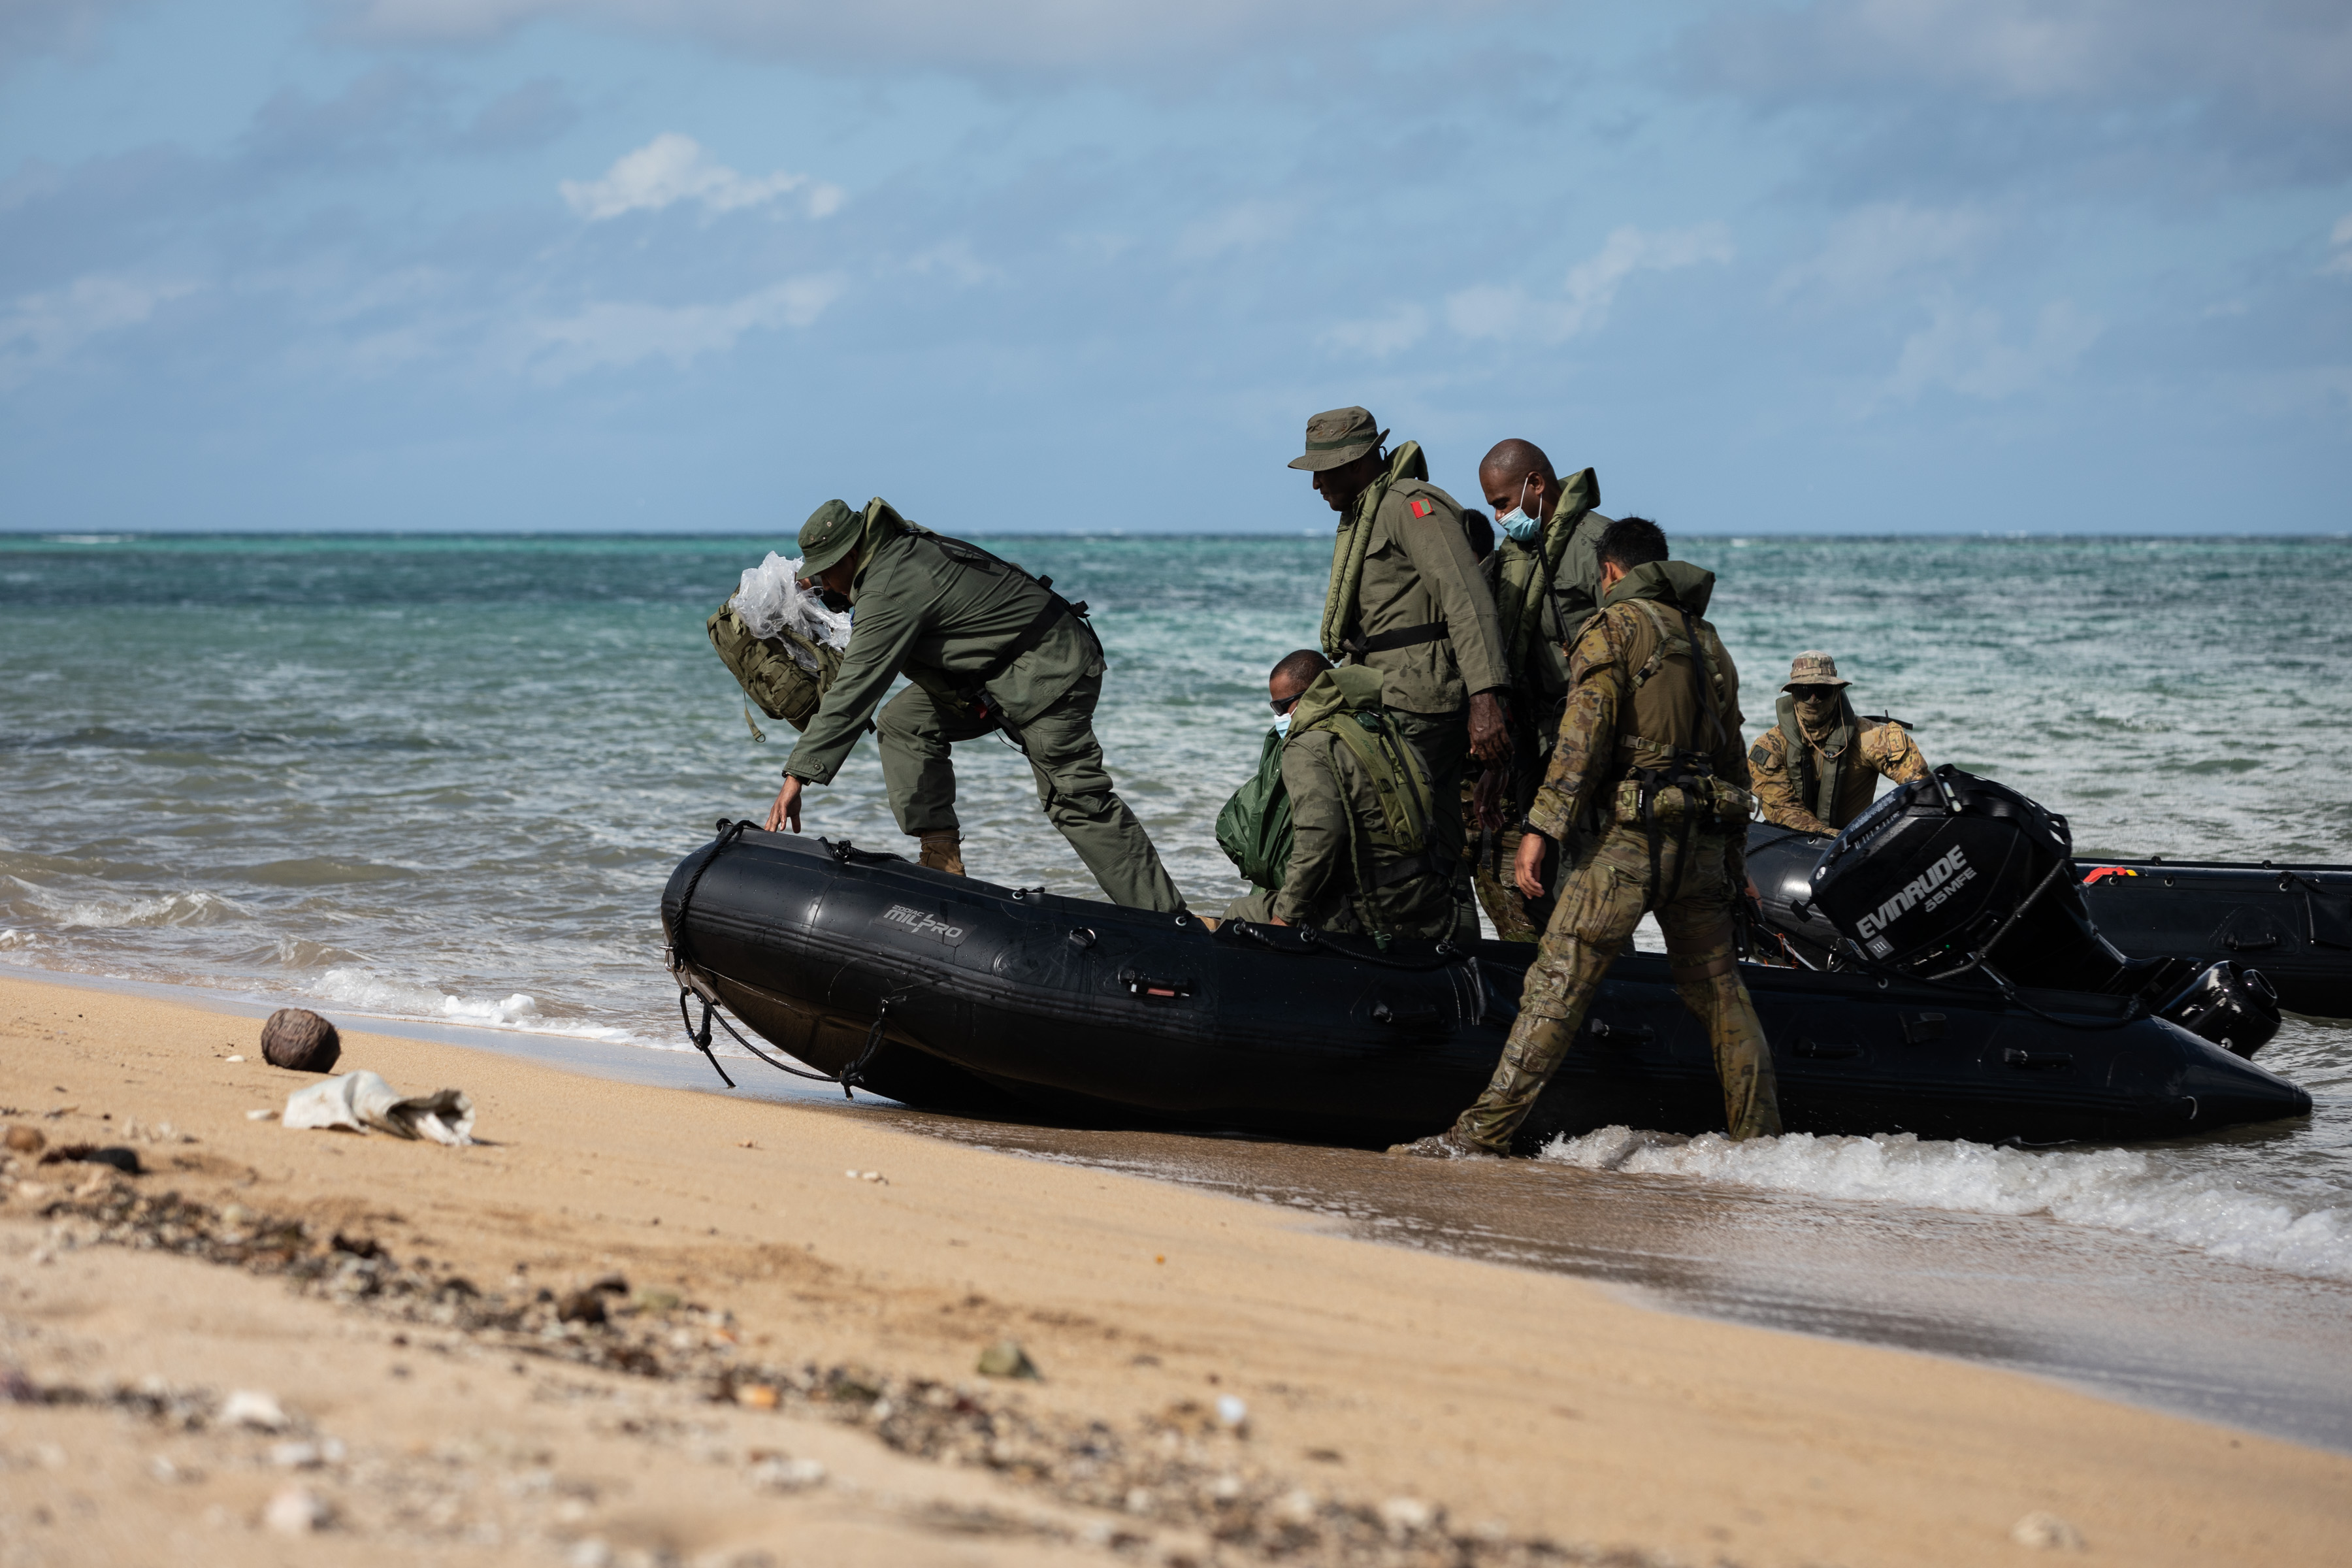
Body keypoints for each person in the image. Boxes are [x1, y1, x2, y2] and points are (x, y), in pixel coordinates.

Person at [1392, 516, 1783, 1158]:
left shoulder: (1614, 628)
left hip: (1632, 844)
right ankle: (1762, 1145)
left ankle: (1476, 1136)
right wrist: (1735, 862)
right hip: (1702, 845)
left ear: (1608, 572)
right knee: (1721, 996)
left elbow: (1583, 738)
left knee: (1557, 979)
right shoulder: (1709, 643)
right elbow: (1734, 764)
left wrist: (1540, 829)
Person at [762, 498, 1187, 914]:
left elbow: (855, 687)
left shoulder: (891, 584)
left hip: (1049, 672)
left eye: (829, 571)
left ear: (853, 552)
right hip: (1005, 675)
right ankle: (943, 862)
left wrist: (797, 777)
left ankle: (1171, 924)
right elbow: (857, 597)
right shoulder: (896, 550)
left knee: (1076, 802)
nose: (827, 584)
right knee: (904, 722)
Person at [1292, 407, 1511, 898]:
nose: (1315, 485)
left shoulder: (1412, 505)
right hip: (1387, 694)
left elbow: (1466, 599)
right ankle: (1446, 948)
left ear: (1357, 463)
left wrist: (1486, 697)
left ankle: (1409, 946)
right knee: (1425, 837)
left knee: (1393, 838)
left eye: (1322, 471)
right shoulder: (1367, 511)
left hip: (1419, 700)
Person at [1464, 439, 1614, 941]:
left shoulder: (1597, 546)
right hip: (1535, 741)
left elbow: (1635, 642)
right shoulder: (1514, 556)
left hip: (1588, 737)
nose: (1500, 516)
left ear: (1536, 485)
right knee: (1545, 888)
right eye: (1492, 507)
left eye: (1503, 503)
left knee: (1590, 889)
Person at [1220, 650, 1471, 941]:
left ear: (1305, 698)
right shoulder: (1382, 727)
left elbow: (1321, 836)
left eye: (1280, 707)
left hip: (1372, 911)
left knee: (1240, 914)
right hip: (1426, 898)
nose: (1280, 716)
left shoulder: (1310, 744)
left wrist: (1286, 917)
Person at [1748, 651, 1929, 836]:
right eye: (1805, 691)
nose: (1813, 699)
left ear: (1836, 691)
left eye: (1821, 691)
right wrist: (1831, 838)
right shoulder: (1769, 747)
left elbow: (1921, 786)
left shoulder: (1872, 737)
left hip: (1856, 847)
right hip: (1791, 847)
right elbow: (1783, 808)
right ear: (1793, 694)